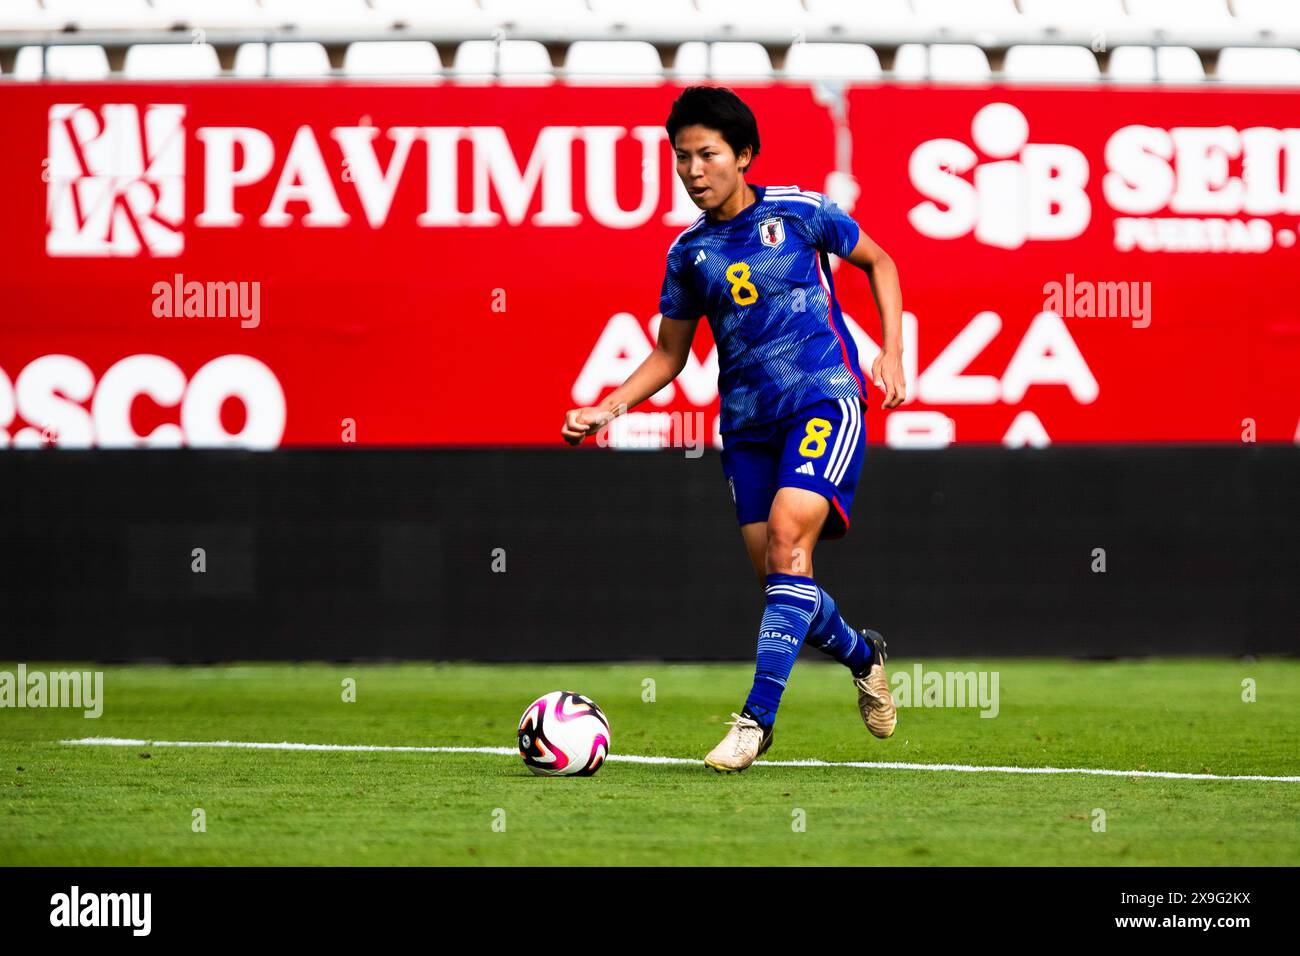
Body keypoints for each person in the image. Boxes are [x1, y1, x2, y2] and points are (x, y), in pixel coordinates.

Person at [562, 86, 907, 773]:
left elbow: (881, 262)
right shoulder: (688, 254)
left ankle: (756, 722)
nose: (693, 169)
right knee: (784, 581)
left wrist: (891, 353)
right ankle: (864, 655)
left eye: (708, 154)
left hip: (825, 402)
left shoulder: (802, 213)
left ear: (743, 155)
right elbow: (670, 354)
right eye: (682, 157)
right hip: (747, 430)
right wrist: (609, 406)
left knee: (787, 539)